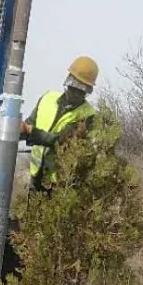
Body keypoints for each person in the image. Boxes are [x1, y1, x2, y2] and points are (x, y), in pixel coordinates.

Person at [21, 56, 99, 190]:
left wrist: (31, 132)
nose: (75, 93)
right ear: (68, 82)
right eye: (73, 87)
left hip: (61, 182)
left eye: (80, 91)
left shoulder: (88, 115)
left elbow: (62, 140)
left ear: (86, 92)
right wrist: (18, 130)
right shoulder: (47, 98)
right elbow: (30, 123)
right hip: (36, 175)